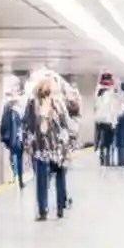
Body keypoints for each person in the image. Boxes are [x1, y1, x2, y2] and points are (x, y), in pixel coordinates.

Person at [26, 77, 74, 221]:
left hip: (45, 149)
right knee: (56, 178)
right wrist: (68, 147)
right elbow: (66, 126)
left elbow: (28, 127)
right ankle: (56, 208)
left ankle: (45, 210)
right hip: (53, 148)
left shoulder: (35, 105)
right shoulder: (55, 105)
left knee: (43, 181)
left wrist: (28, 146)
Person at [0, 90, 26, 188]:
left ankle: (15, 176)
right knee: (19, 158)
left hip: (11, 138)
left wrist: (2, 136)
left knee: (12, 156)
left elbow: (3, 125)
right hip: (19, 138)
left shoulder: (7, 109)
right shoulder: (20, 109)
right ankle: (20, 179)